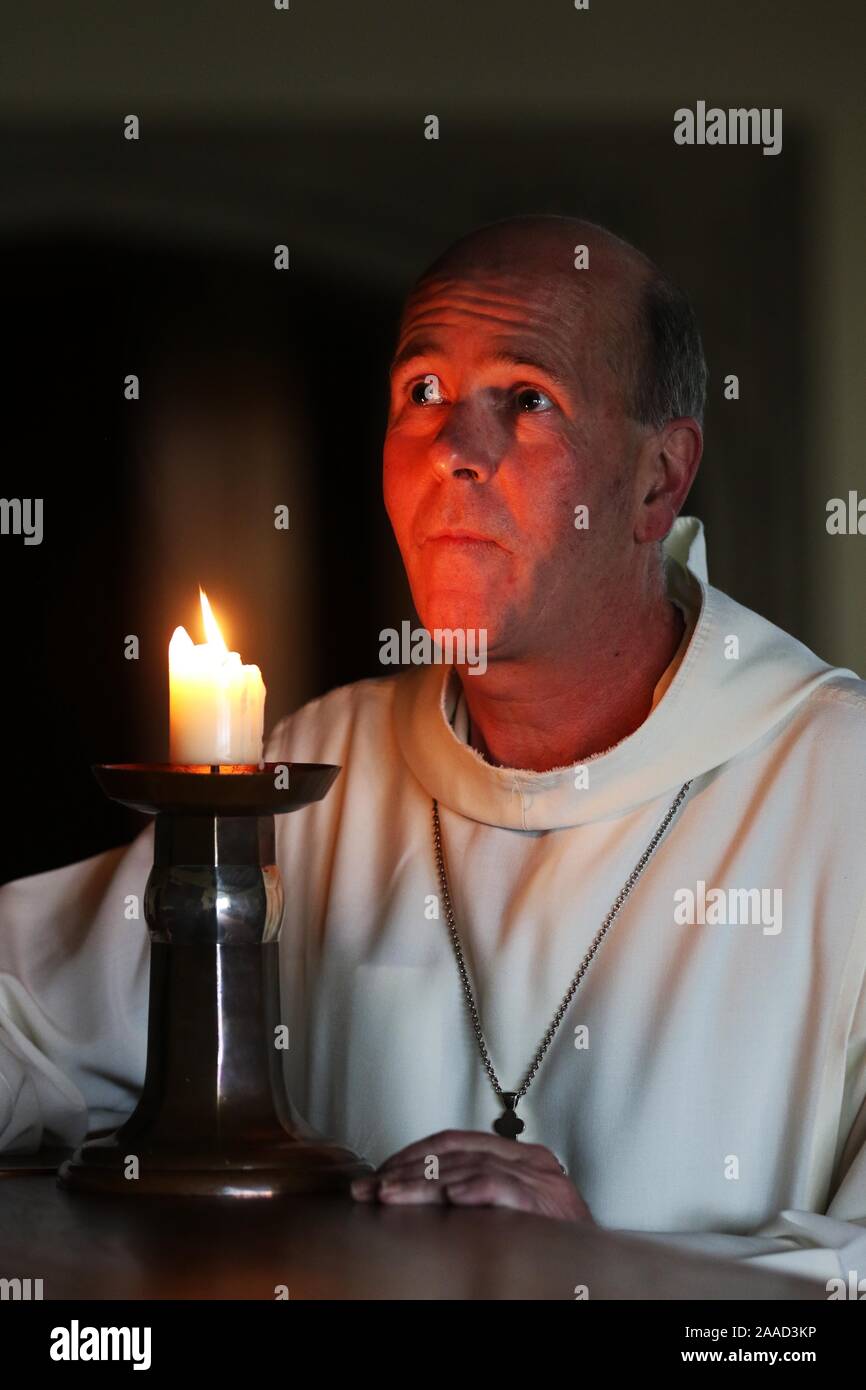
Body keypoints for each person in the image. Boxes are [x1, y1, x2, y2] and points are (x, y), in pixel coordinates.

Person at [1, 216, 864, 1283]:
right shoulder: (315, 769)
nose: (454, 447)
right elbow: (27, 1022)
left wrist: (601, 1269)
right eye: (422, 391)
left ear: (657, 481)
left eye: (527, 399)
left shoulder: (838, 787)